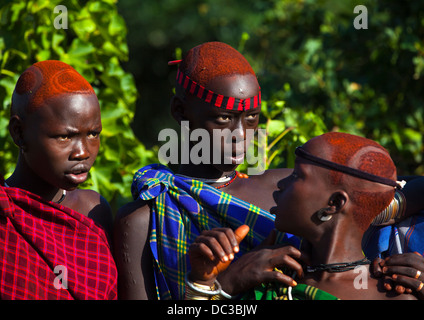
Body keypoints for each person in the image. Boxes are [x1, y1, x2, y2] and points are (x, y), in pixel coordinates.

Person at [114, 42, 424, 300]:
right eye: (223, 119)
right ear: (180, 112)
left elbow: (373, 196)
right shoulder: (144, 218)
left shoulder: (291, 188)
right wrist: (227, 284)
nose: (241, 135)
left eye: (251, 119)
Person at [186, 132, 423, 300]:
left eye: (297, 176)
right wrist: (211, 282)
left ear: (334, 204)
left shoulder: (393, 295)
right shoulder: (266, 278)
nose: (279, 183)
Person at [0, 60, 117, 299]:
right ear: (18, 133)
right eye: (65, 137)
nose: (82, 152)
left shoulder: (94, 211)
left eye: (93, 134)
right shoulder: (4, 211)